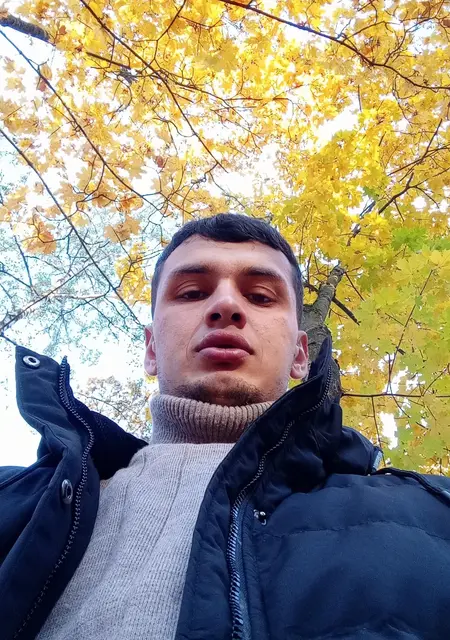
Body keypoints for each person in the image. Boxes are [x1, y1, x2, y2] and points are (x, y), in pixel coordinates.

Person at [2, 213, 450, 640]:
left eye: (261, 297)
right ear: (151, 349)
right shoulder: (15, 501)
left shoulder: (432, 512)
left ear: (300, 355)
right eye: (192, 292)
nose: (226, 306)